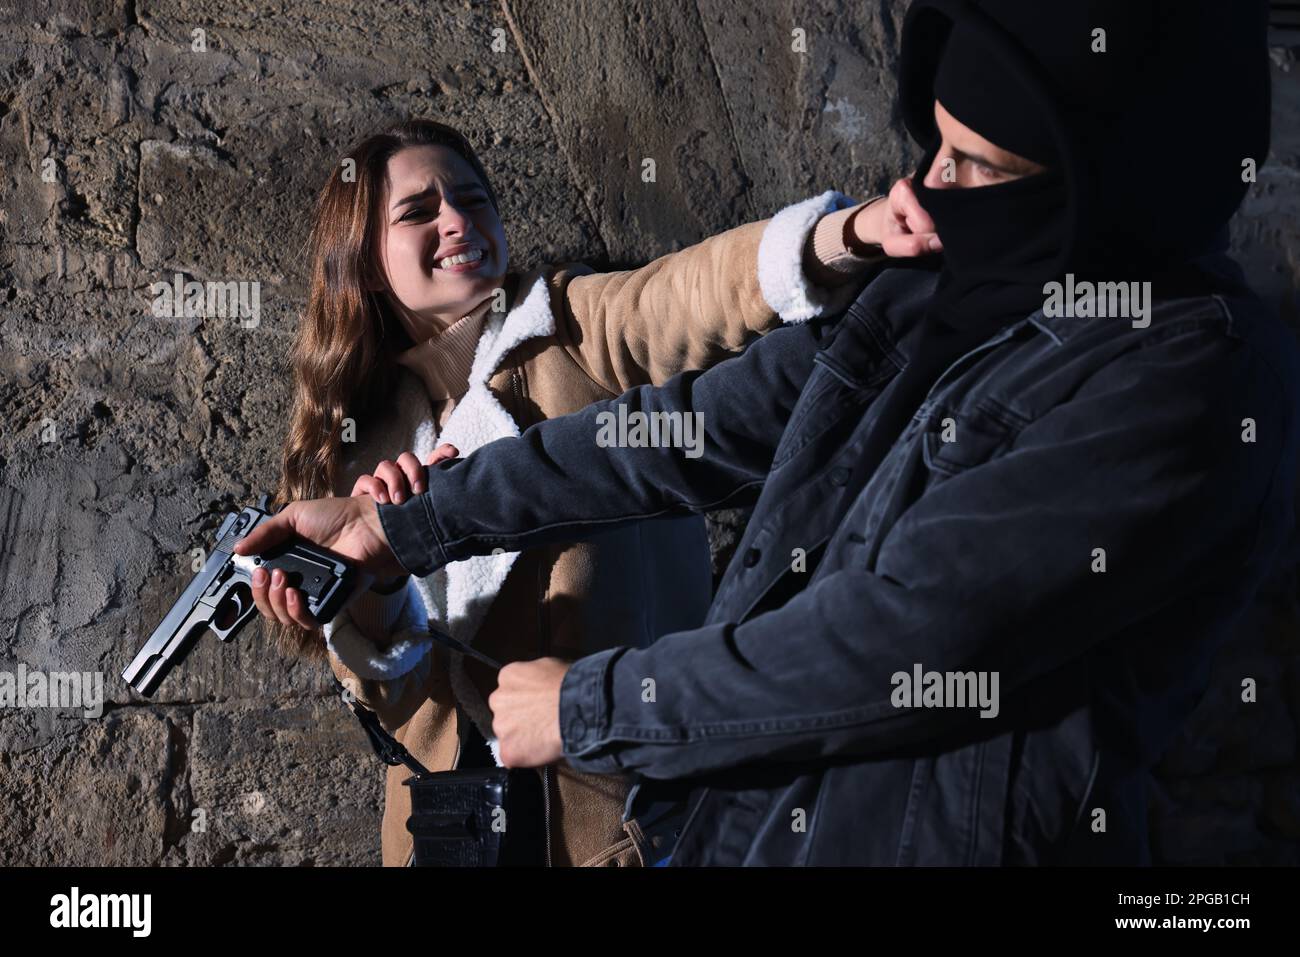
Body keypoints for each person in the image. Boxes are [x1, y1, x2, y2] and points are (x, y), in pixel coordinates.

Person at [238, 0, 1298, 864]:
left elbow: (903, 641)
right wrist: (404, 530)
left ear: (1098, 188)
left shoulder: (1183, 371)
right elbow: (689, 429)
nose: (927, 187)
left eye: (972, 166)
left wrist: (597, 704)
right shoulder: (949, 284)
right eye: (934, 143)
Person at [241, 117, 922, 865]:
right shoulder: (356, 447)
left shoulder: (569, 325)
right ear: (365, 263)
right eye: (419, 211)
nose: (459, 221)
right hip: (448, 836)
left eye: (474, 199)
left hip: (622, 828)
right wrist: (371, 592)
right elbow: (400, 705)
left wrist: (846, 234)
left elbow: (689, 292)